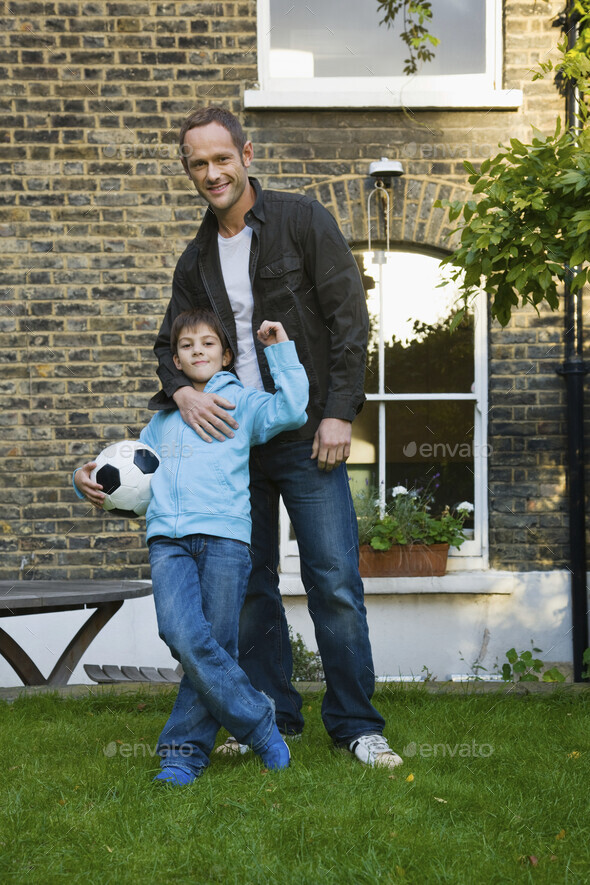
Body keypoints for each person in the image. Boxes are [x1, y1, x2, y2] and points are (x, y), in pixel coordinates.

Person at [150, 106, 403, 769]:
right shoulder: (194, 258)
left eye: (221, 158)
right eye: (198, 164)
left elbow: (349, 318)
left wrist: (339, 412)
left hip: (308, 430)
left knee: (334, 578)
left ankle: (356, 725)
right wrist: (181, 392)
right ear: (188, 171)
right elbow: (167, 346)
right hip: (233, 441)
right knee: (251, 587)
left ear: (247, 155)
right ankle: (273, 715)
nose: (212, 173)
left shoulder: (302, 220)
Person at [74, 309, 309, 785]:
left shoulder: (242, 403)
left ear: (226, 355)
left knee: (213, 646)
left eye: (207, 343)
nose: (197, 350)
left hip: (225, 539)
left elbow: (292, 410)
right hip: (167, 541)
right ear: (176, 361)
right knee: (181, 634)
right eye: (186, 345)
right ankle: (260, 723)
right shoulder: (161, 421)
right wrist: (83, 480)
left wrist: (279, 351)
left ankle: (182, 756)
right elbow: (127, 476)